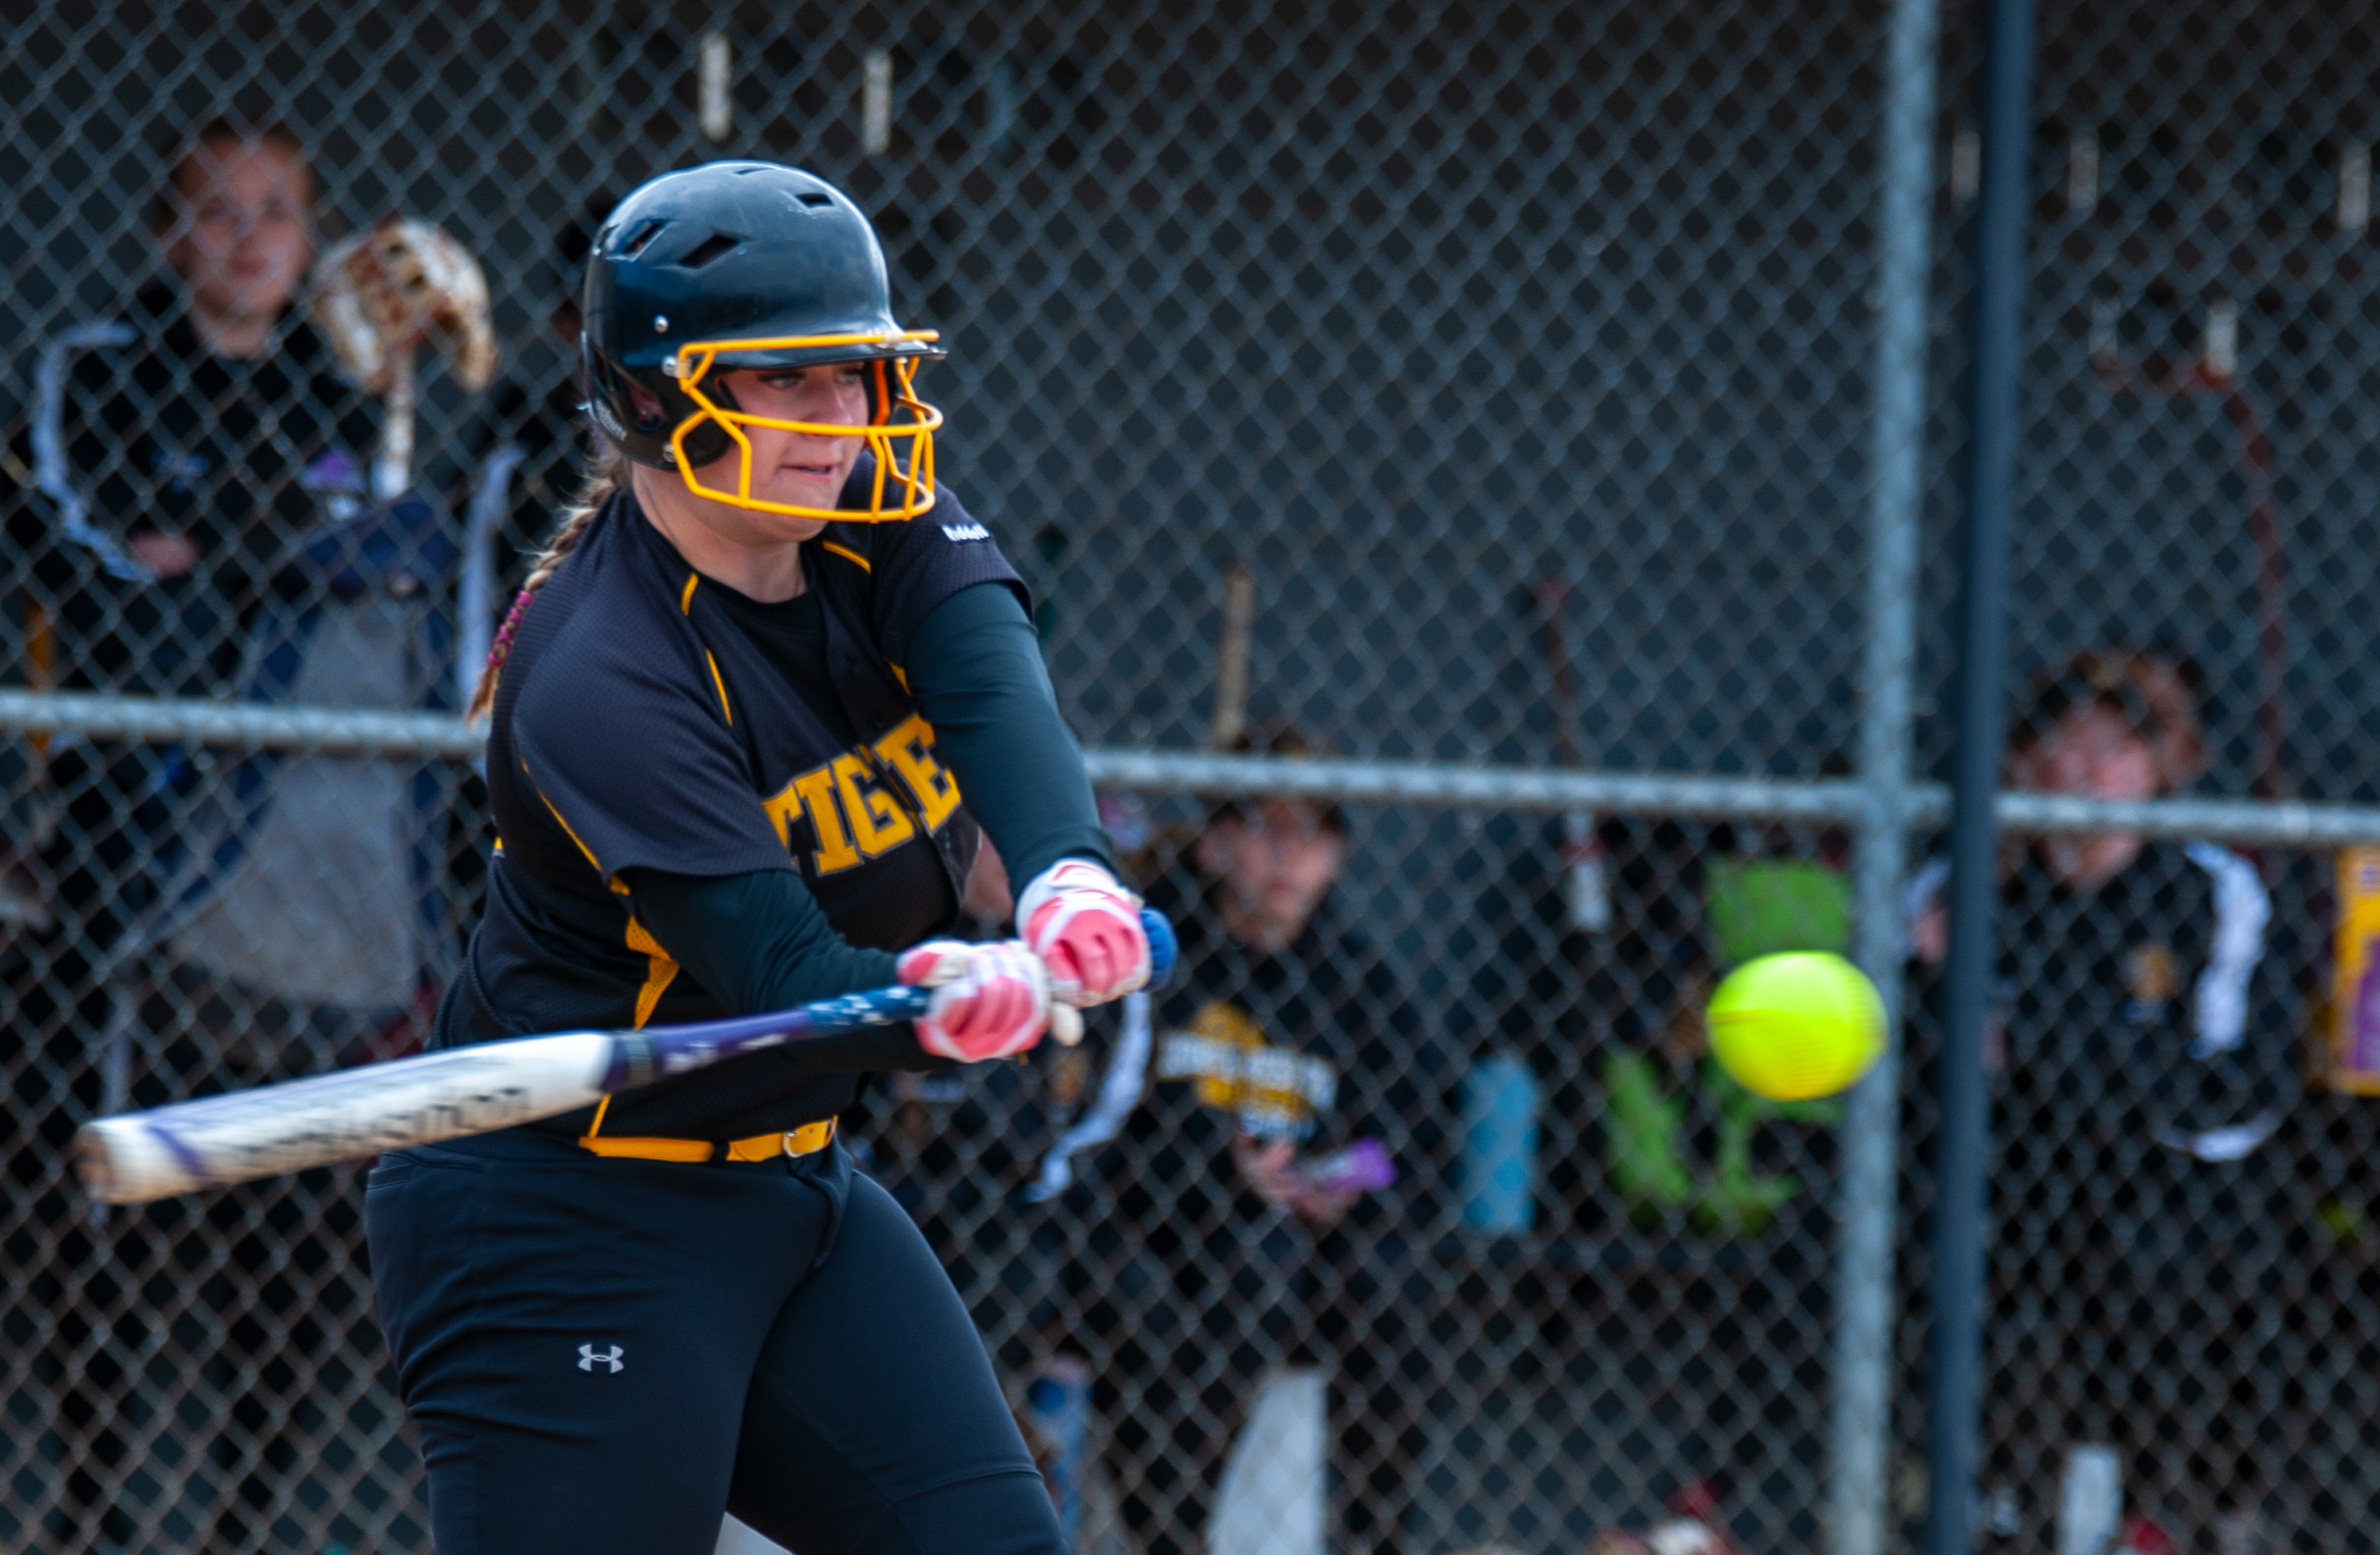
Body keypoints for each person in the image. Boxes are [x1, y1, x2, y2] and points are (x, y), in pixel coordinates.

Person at [364, 159, 1154, 1555]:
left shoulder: (868, 505)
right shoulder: (603, 667)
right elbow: (776, 981)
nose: (836, 420)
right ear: (659, 400)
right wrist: (936, 1005)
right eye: (783, 382)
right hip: (568, 1217)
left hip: (786, 1184)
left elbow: (991, 687)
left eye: (853, 375)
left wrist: (1063, 876)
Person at [0, 117, 421, 1552]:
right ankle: (92, 1508)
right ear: (168, 234)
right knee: (92, 1207)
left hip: (298, 876)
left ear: (310, 242)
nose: (249, 239)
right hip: (120, 856)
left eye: (277, 215)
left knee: (284, 1230)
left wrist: (213, 558)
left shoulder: (348, 392)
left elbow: (371, 582)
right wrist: (253, 564)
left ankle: (243, 1519)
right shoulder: (94, 373)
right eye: (219, 213)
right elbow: (93, 577)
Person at [1910, 649, 2299, 1544]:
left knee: (2162, 1255)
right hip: (1999, 1174)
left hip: (2157, 1183)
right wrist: (1941, 993)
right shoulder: (1958, 887)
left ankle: (2159, 1517)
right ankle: (1733, 1509)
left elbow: (2237, 1098)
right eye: (2064, 747)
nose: (2084, 772)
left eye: (2116, 751)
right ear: (2020, 766)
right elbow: (1915, 1066)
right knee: (1866, 1230)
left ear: (2159, 774)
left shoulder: (2211, 893)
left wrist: (2040, 1051)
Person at [1065, 727, 1438, 1555]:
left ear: (1337, 855)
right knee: (1246, 1262)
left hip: (1303, 1246)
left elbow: (1413, 1134)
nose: (1288, 854)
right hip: (1168, 1231)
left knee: (1391, 1278)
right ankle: (1173, 1538)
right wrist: (1217, 1166)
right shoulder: (1155, 958)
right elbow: (1096, 1132)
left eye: (1312, 831)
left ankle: (1374, 1542)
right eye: (1266, 826)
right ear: (1214, 843)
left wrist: (1342, 1187)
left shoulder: (1353, 980)